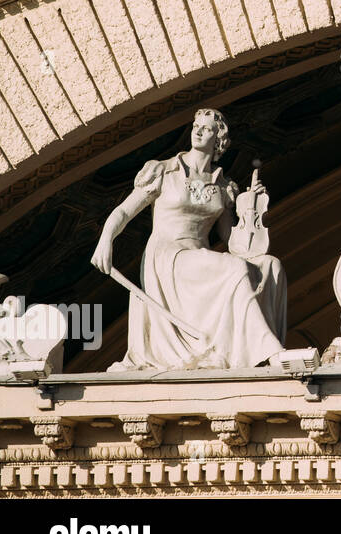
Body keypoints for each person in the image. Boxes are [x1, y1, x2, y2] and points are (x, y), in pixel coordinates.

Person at [90, 109, 287, 370]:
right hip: (168, 257)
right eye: (196, 125)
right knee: (235, 269)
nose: (198, 131)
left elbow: (232, 243)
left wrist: (249, 206)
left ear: (219, 140)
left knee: (271, 266)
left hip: (199, 258)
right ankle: (270, 351)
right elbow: (124, 211)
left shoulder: (223, 186)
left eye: (207, 129)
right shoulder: (163, 171)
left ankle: (246, 354)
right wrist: (106, 239)